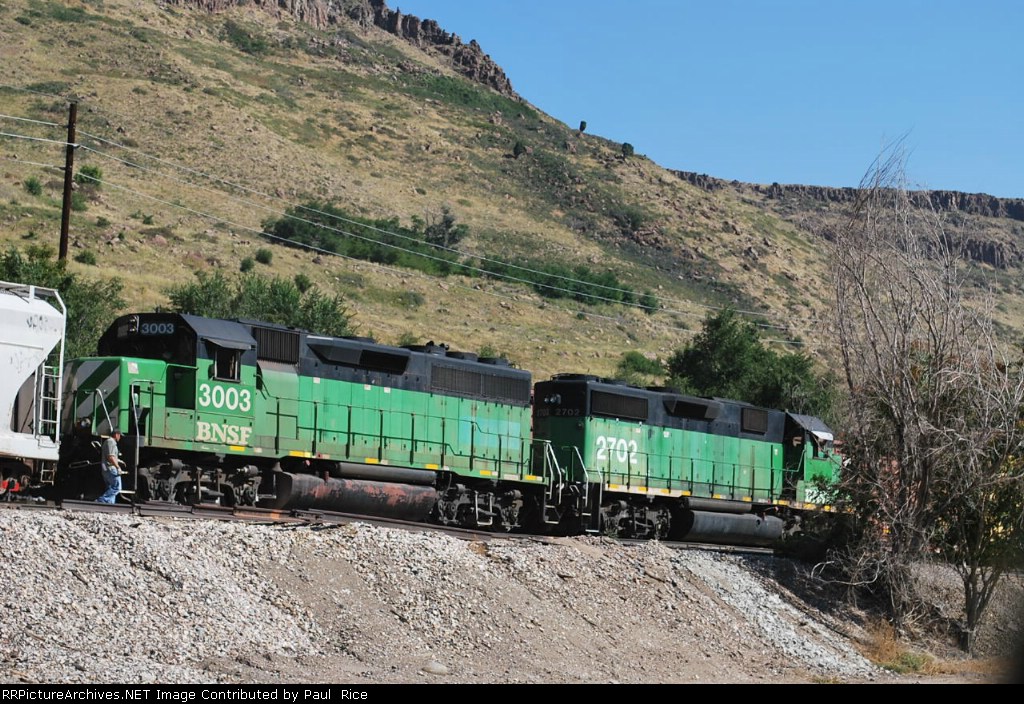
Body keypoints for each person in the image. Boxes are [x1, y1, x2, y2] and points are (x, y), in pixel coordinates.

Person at [97, 428, 125, 504]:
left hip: (106, 468)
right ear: (116, 435)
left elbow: (111, 456)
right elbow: (110, 457)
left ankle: (109, 505)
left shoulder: (108, 442)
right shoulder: (111, 442)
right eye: (119, 435)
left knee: (110, 487)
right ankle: (101, 500)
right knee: (117, 487)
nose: (120, 437)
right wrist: (118, 467)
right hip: (110, 468)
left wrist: (119, 461)